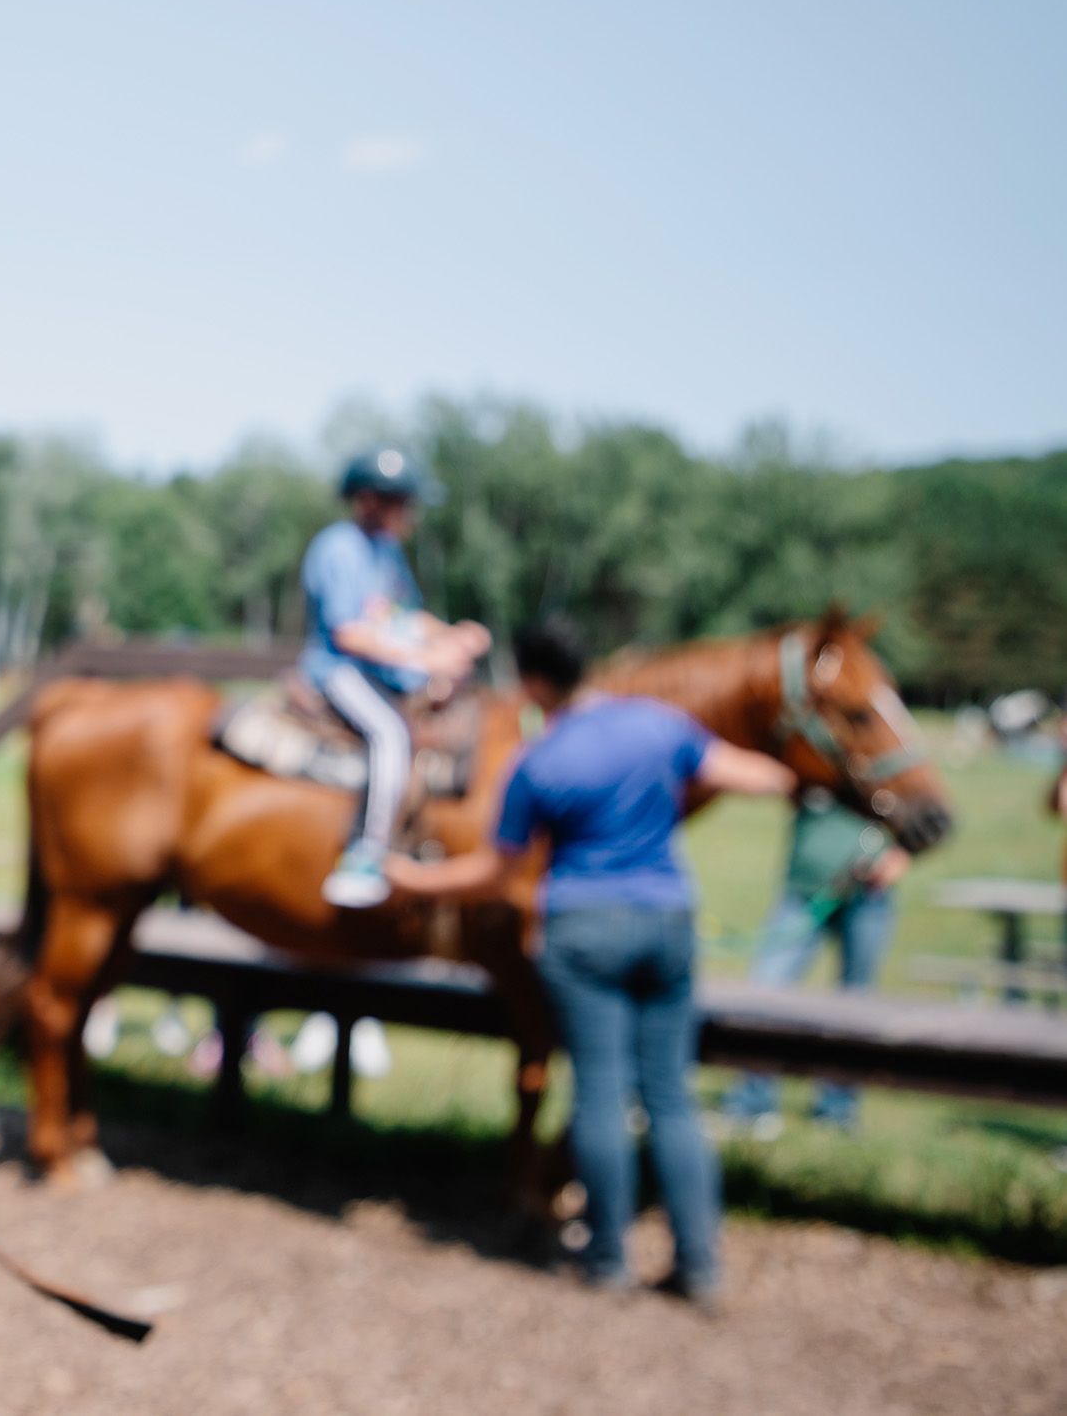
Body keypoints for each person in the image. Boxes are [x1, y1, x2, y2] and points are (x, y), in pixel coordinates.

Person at [384, 618, 795, 1306]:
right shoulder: (659, 726)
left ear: (532, 684)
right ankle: (699, 1263)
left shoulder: (538, 760)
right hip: (667, 921)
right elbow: (753, 775)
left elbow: (494, 872)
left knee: (600, 1091)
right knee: (670, 1093)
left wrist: (415, 879)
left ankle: (609, 1259)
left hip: (582, 929)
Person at [304, 447, 491, 907]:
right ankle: (365, 854)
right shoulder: (337, 547)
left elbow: (403, 615)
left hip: (388, 673)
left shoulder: (388, 551)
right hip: (341, 672)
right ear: (369, 501)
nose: (411, 514)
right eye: (403, 503)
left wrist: (452, 636)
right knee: (390, 734)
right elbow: (348, 634)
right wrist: (426, 659)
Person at [718, 792, 911, 1135]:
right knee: (767, 990)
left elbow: (928, 810)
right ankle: (752, 1102)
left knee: (854, 1002)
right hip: (802, 892)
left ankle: (837, 1110)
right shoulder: (813, 764)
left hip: (867, 897)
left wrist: (903, 854)